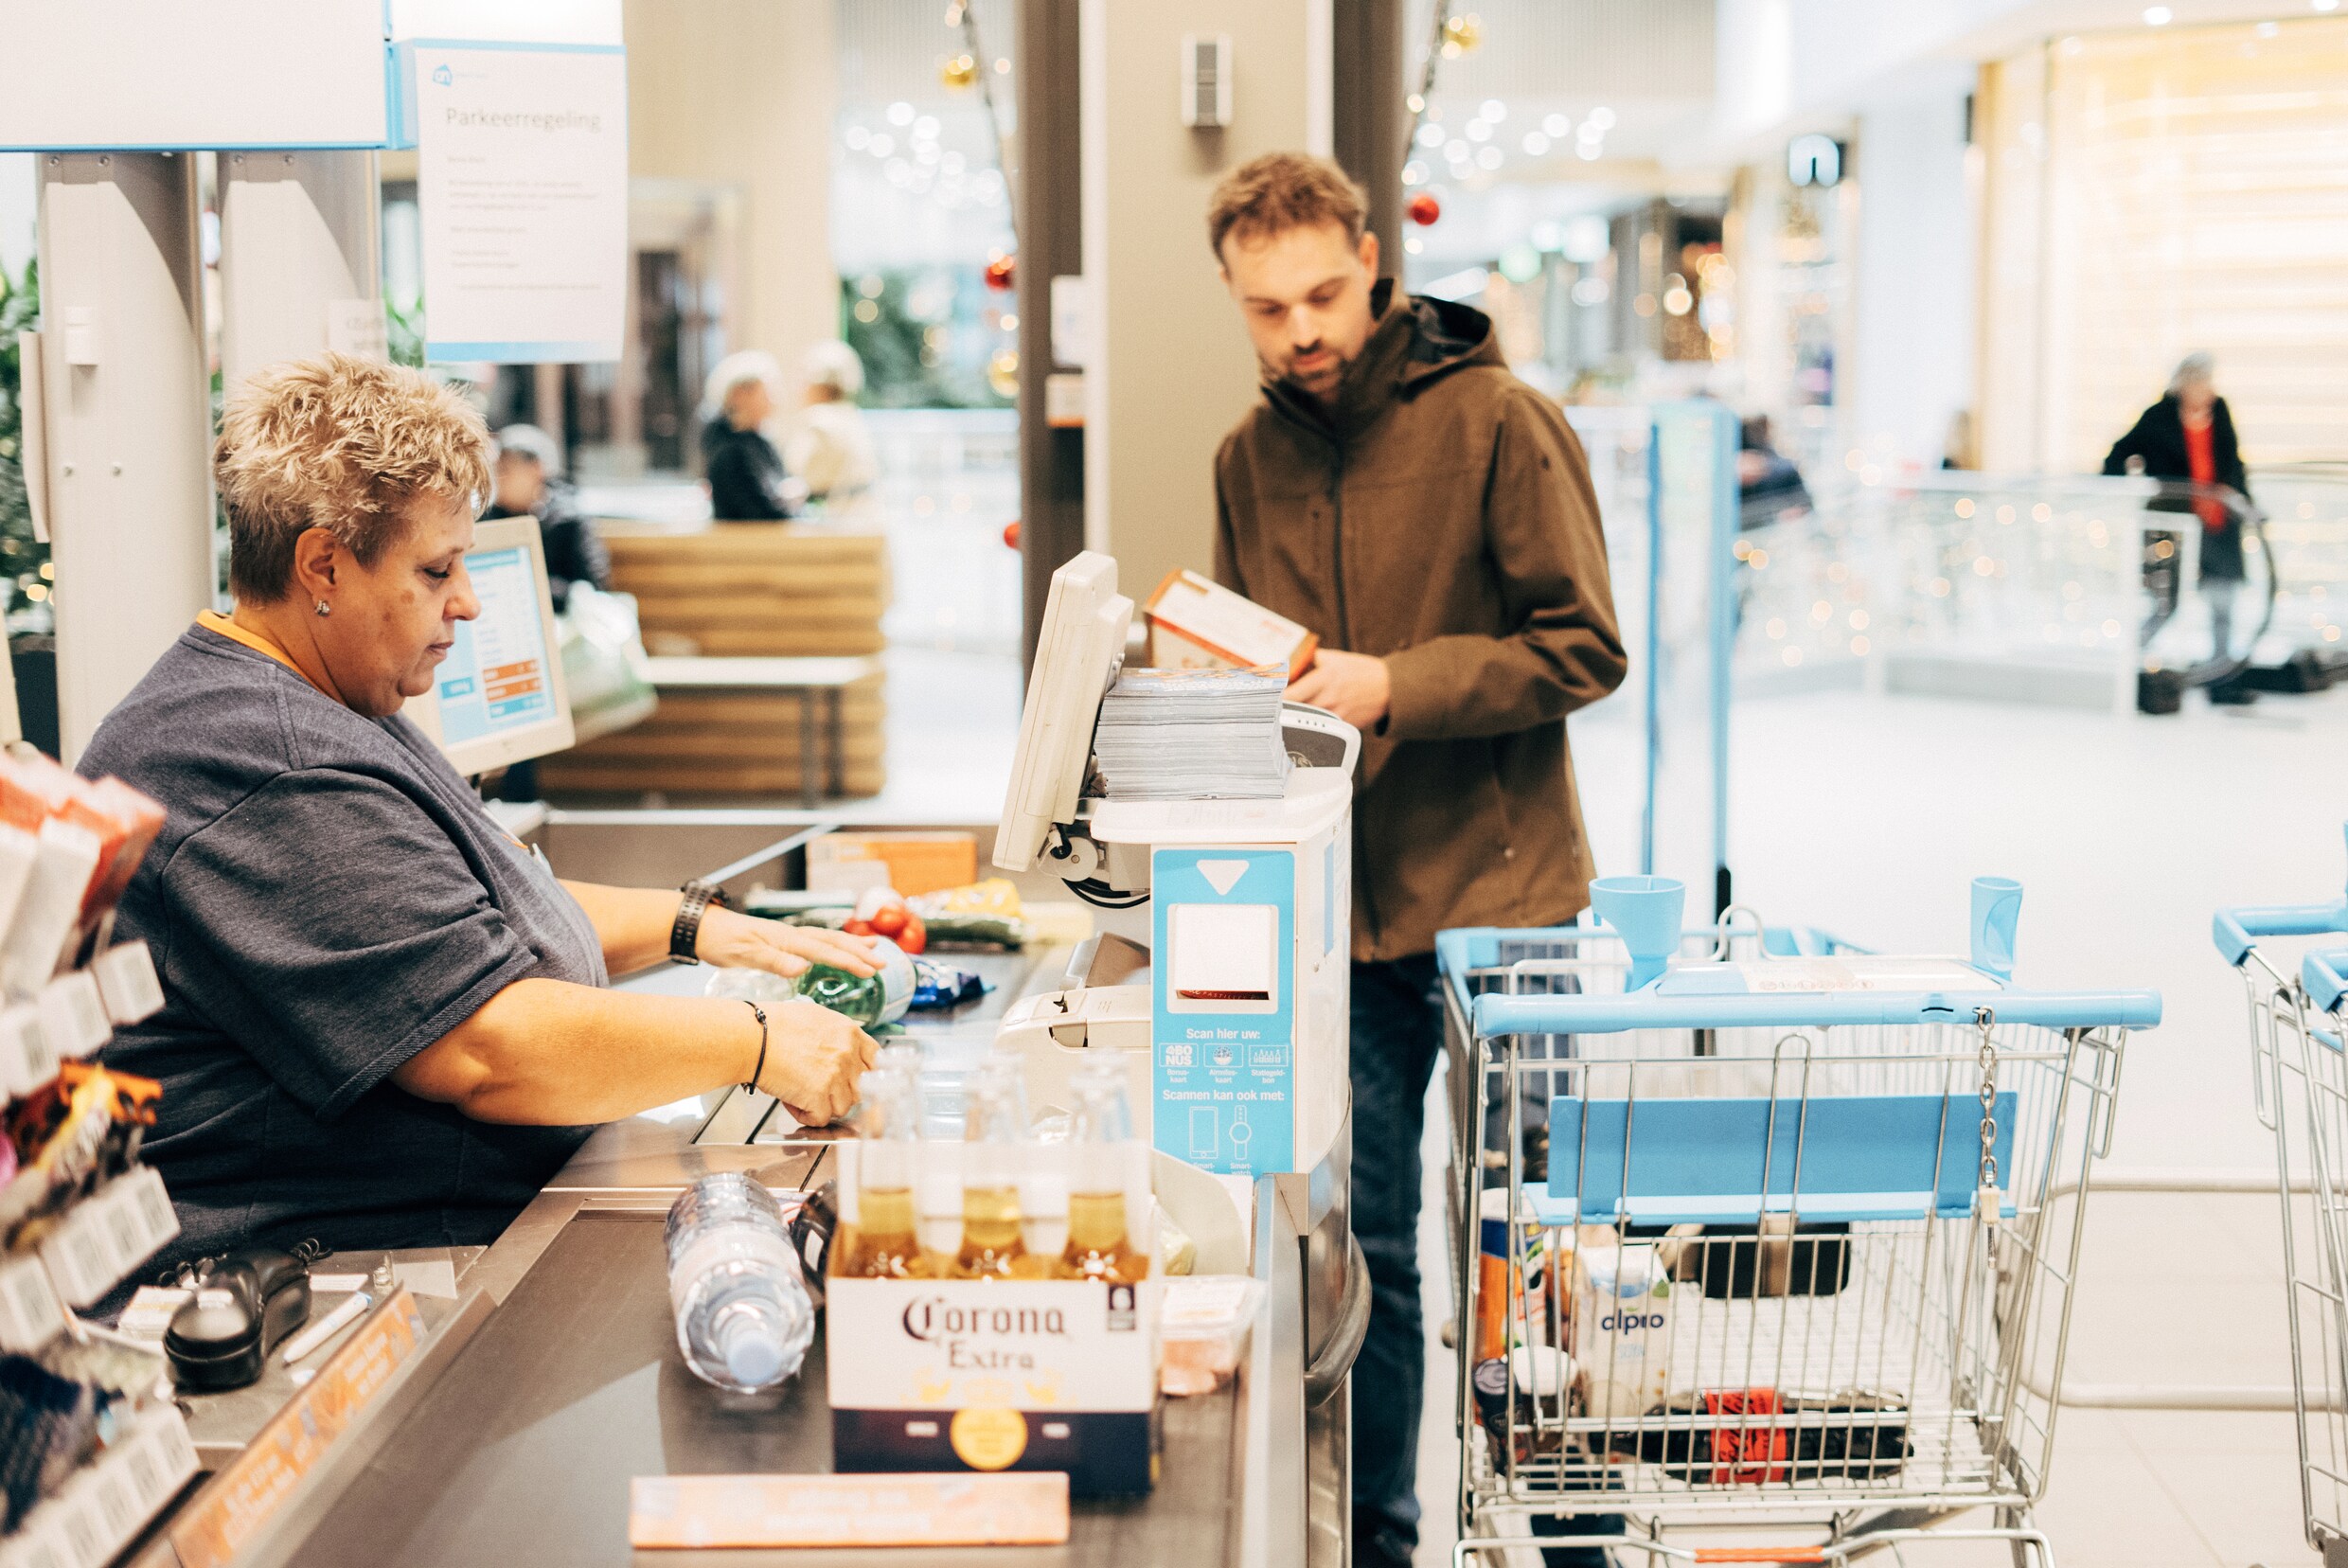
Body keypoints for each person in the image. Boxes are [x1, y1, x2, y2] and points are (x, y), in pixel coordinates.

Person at [80, 354, 880, 1286]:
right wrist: (758, 1041)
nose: (465, 600)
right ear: (322, 565)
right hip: (329, 1274)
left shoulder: (322, 697)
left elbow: (475, 909)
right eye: (437, 569)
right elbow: (487, 1047)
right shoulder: (257, 759)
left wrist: (693, 924)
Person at [1206, 152, 1626, 1568]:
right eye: (1267, 309)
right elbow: (1262, 676)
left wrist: (1395, 684)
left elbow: (1584, 649)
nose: (1301, 332)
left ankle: (1565, 1539)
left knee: (1531, 1247)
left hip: (1508, 914)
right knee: (1367, 1268)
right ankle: (1380, 1547)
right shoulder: (1246, 460)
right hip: (1344, 926)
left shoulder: (1500, 419)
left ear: (1373, 262)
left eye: (1323, 295)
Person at [2103, 351, 2252, 679]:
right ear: (2185, 385)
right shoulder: (2158, 417)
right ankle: (2125, 665)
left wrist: (2245, 504)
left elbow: (2233, 463)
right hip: (2174, 526)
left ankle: (2221, 675)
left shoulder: (2220, 412)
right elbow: (2119, 453)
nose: (2207, 390)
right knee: (2166, 603)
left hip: (2217, 524)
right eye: (2201, 383)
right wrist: (2120, 489)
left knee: (2222, 603)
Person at [484, 423, 610, 614]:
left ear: (536, 469)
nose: (498, 479)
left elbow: (593, 584)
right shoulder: (488, 518)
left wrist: (525, 586)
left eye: (505, 470)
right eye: (496, 471)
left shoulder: (568, 519)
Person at [701, 349, 804, 521]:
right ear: (739, 395)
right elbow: (763, 514)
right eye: (767, 391)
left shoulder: (762, 445)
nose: (774, 399)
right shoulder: (731, 453)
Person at [785, 340, 880, 506]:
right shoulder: (852, 417)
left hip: (838, 517)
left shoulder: (819, 422)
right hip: (867, 514)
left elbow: (802, 476)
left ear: (820, 385)